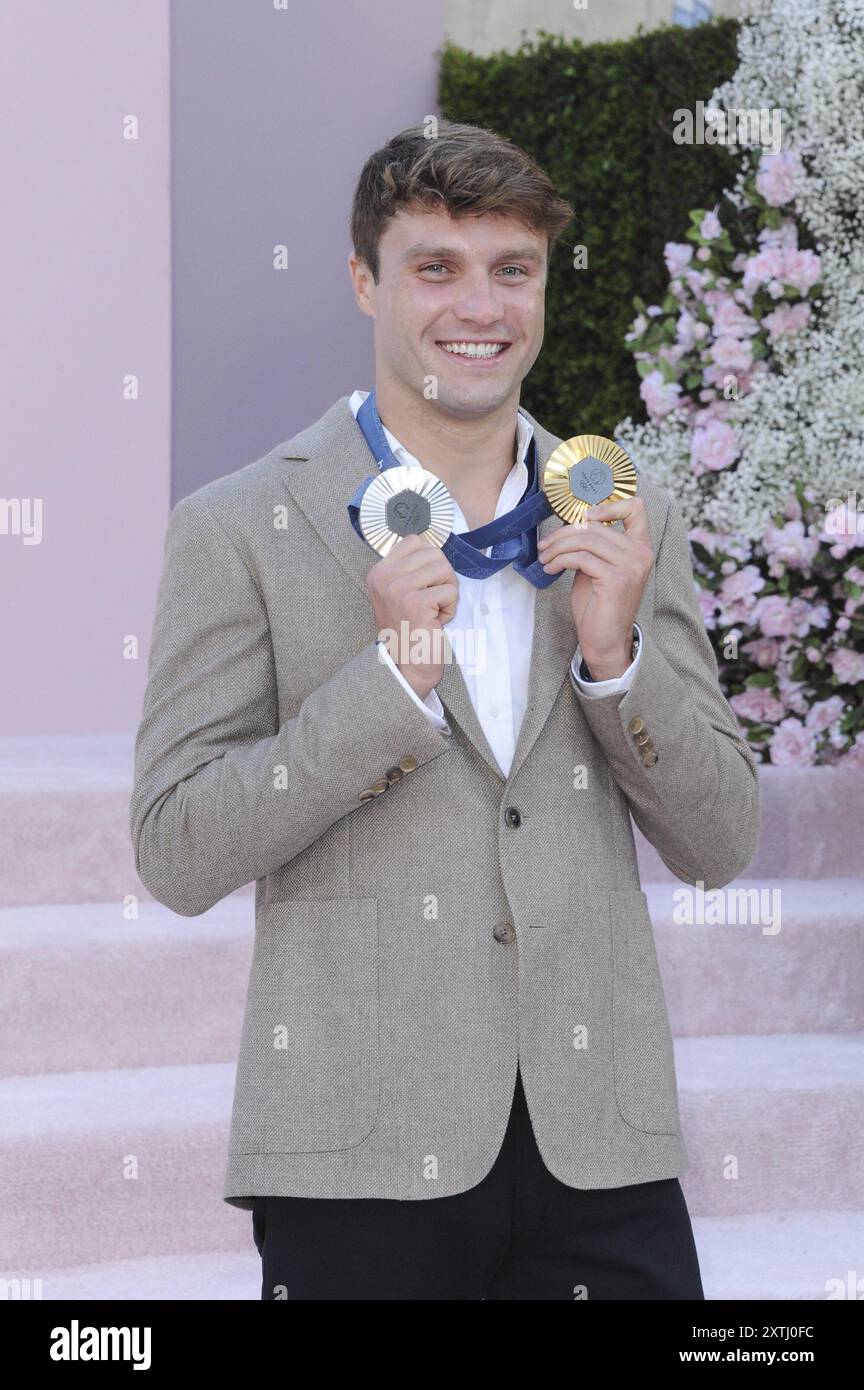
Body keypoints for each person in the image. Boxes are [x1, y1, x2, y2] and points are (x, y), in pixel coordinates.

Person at [129, 120, 760, 1300]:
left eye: (510, 270)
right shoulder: (236, 527)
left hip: (600, 1153)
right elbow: (173, 847)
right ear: (364, 279)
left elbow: (722, 840)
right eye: (436, 268)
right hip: (354, 1151)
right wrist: (383, 691)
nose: (481, 306)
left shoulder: (628, 514)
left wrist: (618, 662)